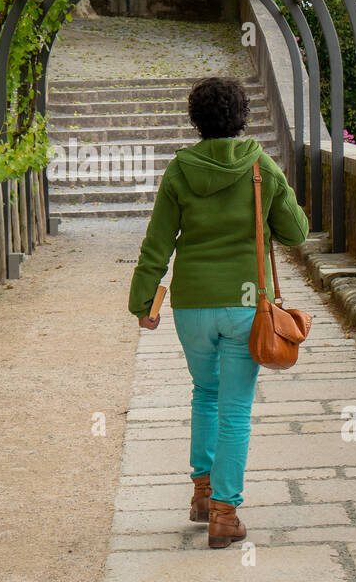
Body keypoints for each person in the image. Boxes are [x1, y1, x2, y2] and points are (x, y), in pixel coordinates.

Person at [128, 76, 309, 548]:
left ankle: (201, 494)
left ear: (196, 121)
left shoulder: (179, 170)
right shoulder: (261, 166)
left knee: (205, 393)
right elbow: (295, 233)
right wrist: (277, 190)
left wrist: (143, 302)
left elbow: (157, 243)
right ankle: (225, 515)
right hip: (247, 306)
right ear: (243, 117)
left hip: (192, 305)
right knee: (235, 410)